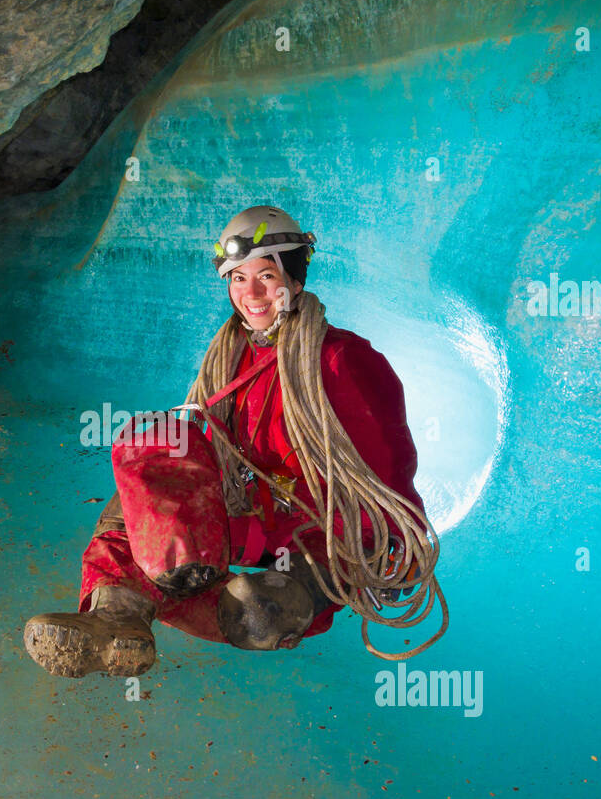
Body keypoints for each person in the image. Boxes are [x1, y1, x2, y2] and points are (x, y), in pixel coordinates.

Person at [24, 205, 431, 678]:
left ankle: (249, 609)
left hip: (317, 532)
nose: (251, 293)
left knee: (259, 610)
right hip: (249, 515)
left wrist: (389, 551)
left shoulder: (343, 361)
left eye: (265, 275)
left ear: (295, 279)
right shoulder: (233, 353)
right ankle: (117, 618)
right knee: (149, 466)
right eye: (238, 278)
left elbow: (385, 474)